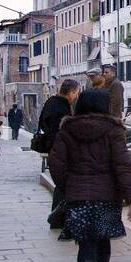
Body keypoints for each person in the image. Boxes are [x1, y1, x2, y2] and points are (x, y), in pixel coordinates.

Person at [47, 88, 131, 262]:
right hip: (106, 196)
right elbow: (122, 165)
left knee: (85, 244)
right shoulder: (114, 130)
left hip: (78, 196)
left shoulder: (67, 129)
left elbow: (56, 163)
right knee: (103, 240)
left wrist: (68, 185)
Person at [37, 79, 80, 228]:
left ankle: (58, 219)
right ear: (70, 93)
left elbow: (42, 122)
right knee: (64, 185)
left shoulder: (50, 102)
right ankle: (58, 219)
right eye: (75, 93)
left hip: (52, 148)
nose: (76, 96)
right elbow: (61, 131)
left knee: (61, 185)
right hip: (60, 150)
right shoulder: (62, 106)